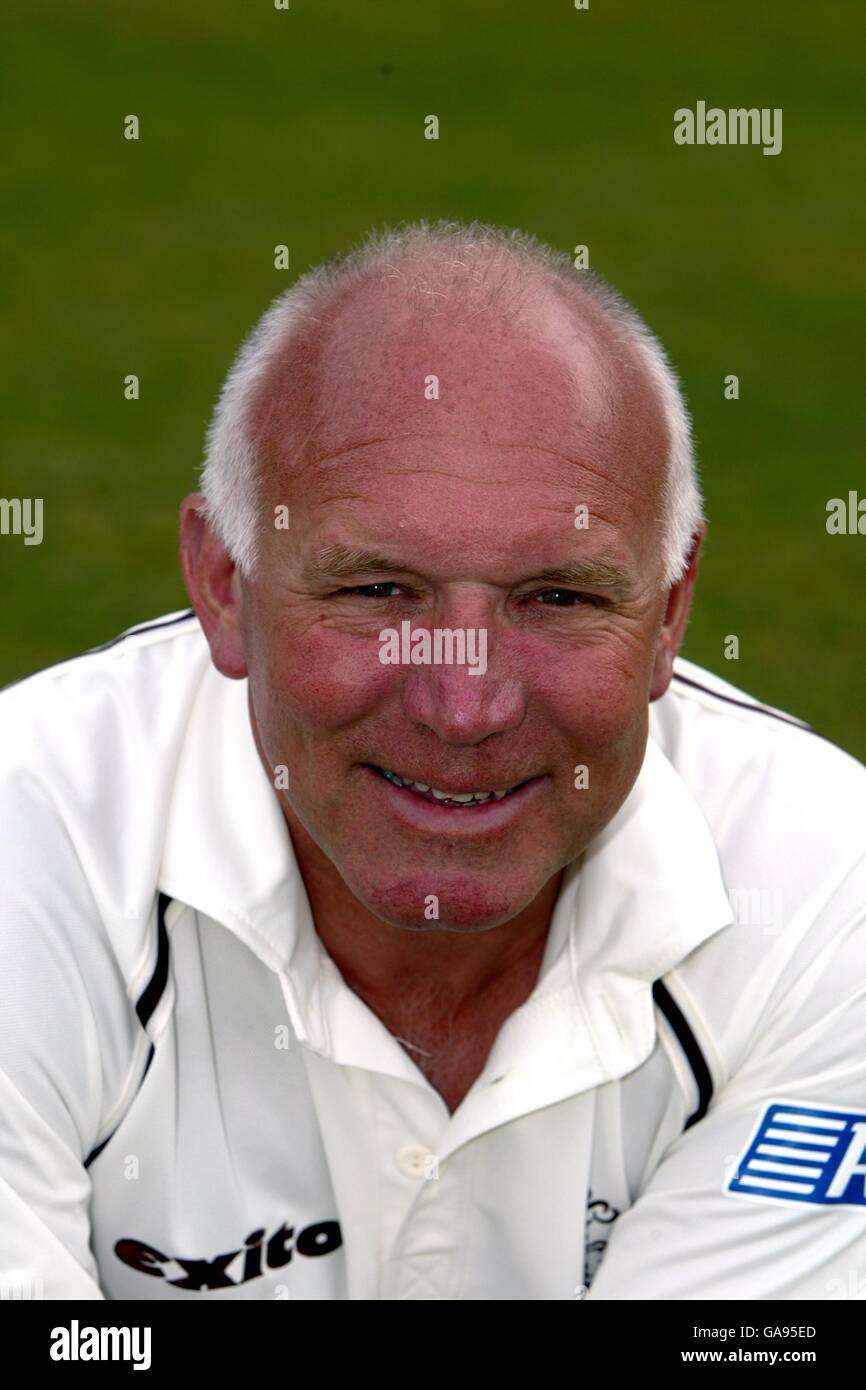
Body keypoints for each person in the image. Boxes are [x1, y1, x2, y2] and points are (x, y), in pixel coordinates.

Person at [1, 220, 864, 1301]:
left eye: (558, 597)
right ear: (222, 584)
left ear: (668, 612)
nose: (465, 705)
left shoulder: (833, 890)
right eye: (376, 593)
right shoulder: (24, 838)